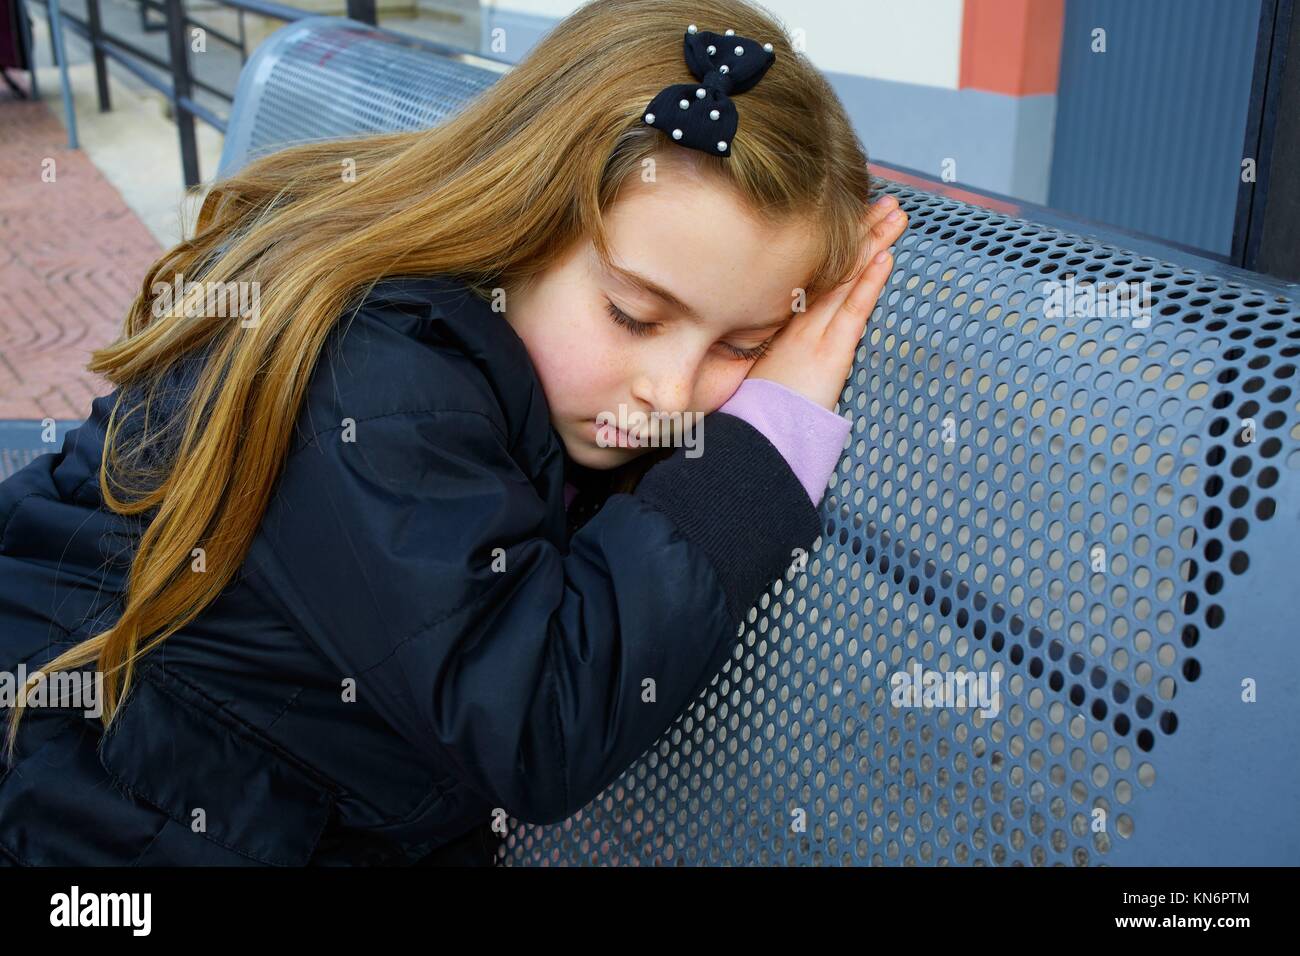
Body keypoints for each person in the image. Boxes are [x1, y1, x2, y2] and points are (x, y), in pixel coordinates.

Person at [0, 0, 907, 866]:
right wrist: (764, 439)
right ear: (521, 223)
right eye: (634, 316)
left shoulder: (505, 359)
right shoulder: (378, 382)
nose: (673, 391)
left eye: (743, 347)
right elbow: (538, 722)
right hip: (93, 804)